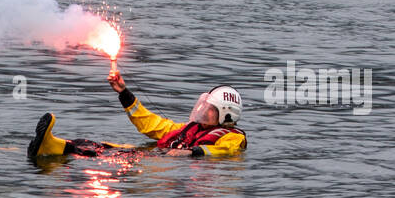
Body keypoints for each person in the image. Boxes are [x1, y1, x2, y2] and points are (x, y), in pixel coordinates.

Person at [28, 66, 246, 161]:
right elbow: (151, 124)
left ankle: (52, 149)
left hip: (162, 164)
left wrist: (191, 153)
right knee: (95, 144)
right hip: (158, 156)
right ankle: (54, 145)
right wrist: (124, 92)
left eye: (209, 109)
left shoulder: (234, 138)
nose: (203, 111)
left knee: (102, 156)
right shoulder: (188, 130)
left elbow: (222, 151)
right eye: (204, 106)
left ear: (225, 115)